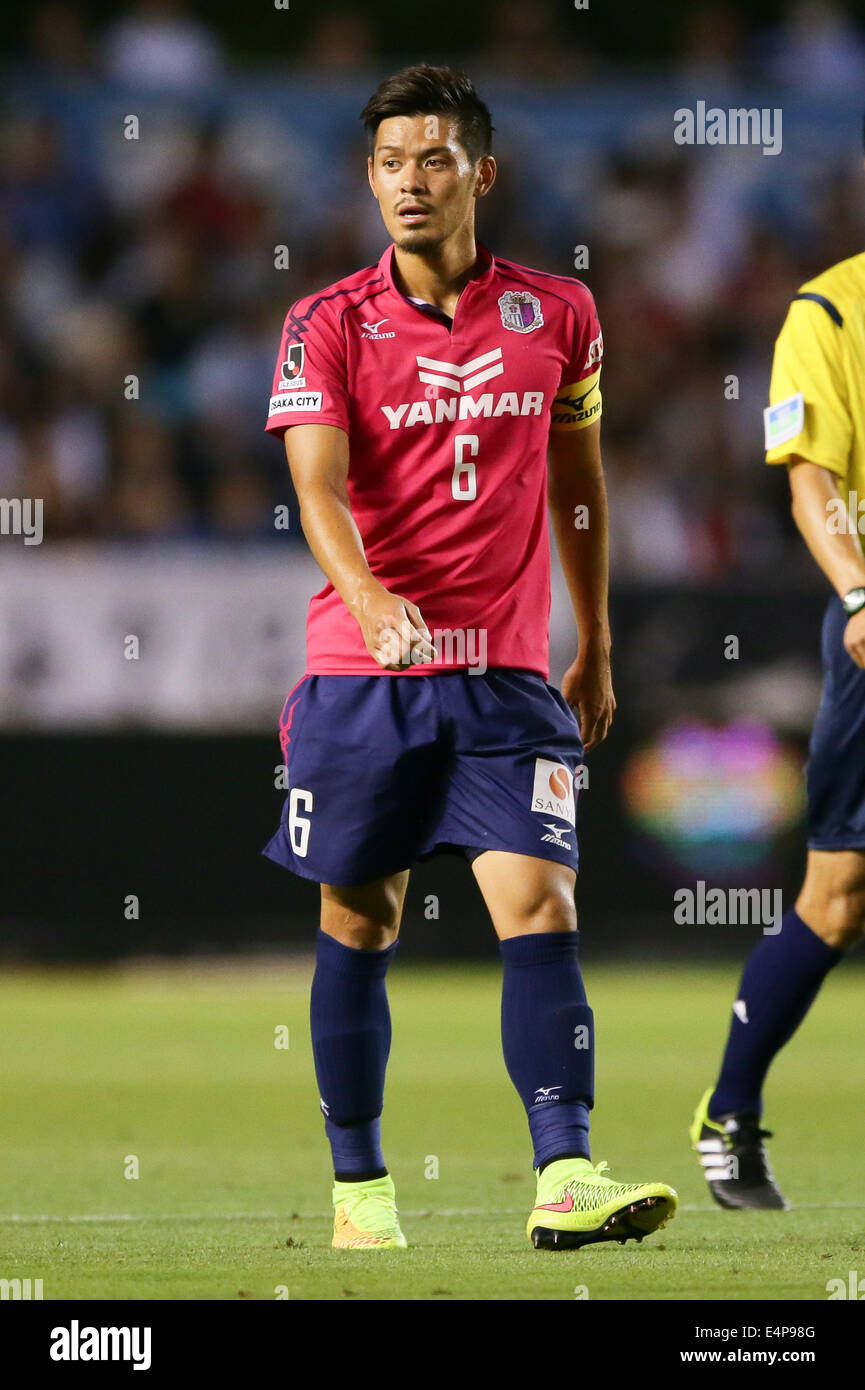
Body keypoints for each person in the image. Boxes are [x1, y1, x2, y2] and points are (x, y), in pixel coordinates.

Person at [264, 63, 677, 1250]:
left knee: (541, 901)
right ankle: (359, 1193)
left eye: (433, 159)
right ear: (369, 177)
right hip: (362, 672)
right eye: (390, 162)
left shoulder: (559, 315)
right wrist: (368, 592)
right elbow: (316, 486)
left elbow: (579, 487)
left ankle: (565, 1172)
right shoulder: (325, 322)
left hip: (503, 677)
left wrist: (592, 637)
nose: (409, 181)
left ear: (480, 175)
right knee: (360, 922)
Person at [692, 143, 865, 1206]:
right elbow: (811, 481)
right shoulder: (832, 314)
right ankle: (730, 1108)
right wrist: (858, 592)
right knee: (838, 898)